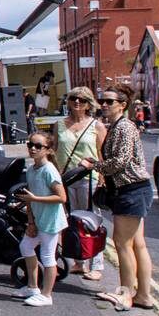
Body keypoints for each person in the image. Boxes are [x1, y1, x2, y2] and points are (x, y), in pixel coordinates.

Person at [81, 84, 156, 311]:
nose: (104, 105)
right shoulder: (119, 126)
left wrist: (94, 165)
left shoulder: (124, 127)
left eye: (109, 101)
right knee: (138, 245)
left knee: (123, 244)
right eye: (102, 101)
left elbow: (120, 162)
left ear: (123, 105)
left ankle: (125, 294)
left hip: (130, 190)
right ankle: (143, 295)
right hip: (136, 189)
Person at [53, 86, 107, 282]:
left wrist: (102, 177)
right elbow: (54, 151)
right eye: (73, 98)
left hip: (88, 179)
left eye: (82, 100)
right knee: (72, 222)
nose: (77, 102)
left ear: (88, 104)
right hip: (66, 179)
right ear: (67, 101)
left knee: (91, 221)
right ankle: (79, 262)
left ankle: (97, 264)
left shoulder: (97, 126)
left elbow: (102, 154)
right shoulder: (59, 125)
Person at [15, 131, 68, 307]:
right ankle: (32, 287)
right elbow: (29, 199)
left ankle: (47, 295)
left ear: (48, 150)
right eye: (30, 145)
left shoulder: (49, 170)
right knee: (26, 246)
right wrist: (31, 222)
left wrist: (35, 199)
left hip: (51, 221)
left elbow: (62, 198)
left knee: (47, 257)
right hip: (38, 219)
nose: (33, 149)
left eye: (38, 146)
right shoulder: (31, 170)